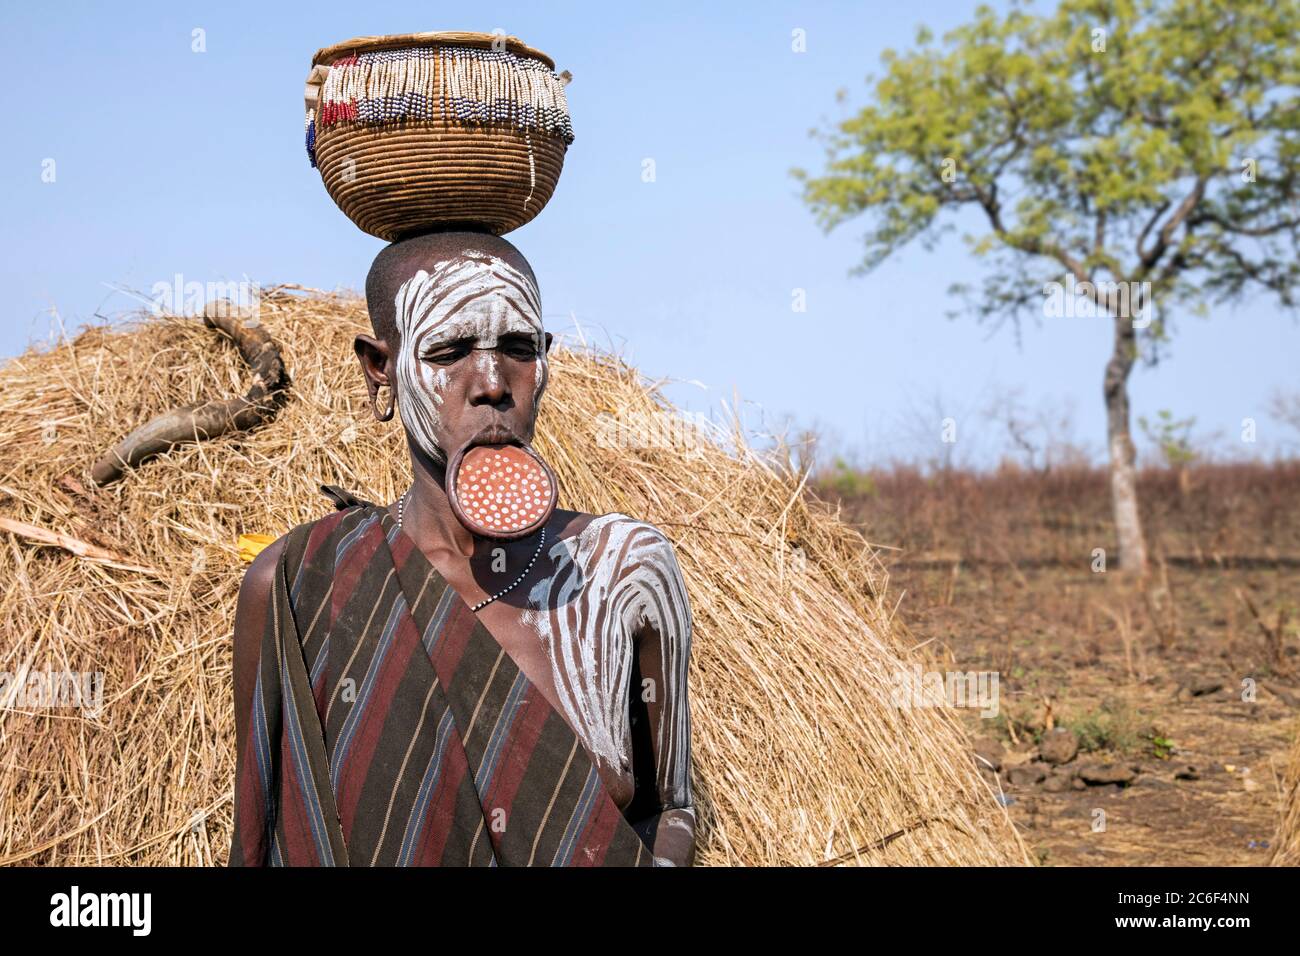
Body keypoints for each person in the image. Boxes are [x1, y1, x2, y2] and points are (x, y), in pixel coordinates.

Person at [229, 230, 696, 866]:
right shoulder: (298, 585)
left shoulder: (623, 573)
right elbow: (257, 839)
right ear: (380, 366)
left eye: (518, 348)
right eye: (449, 350)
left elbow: (673, 807)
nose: (492, 383)